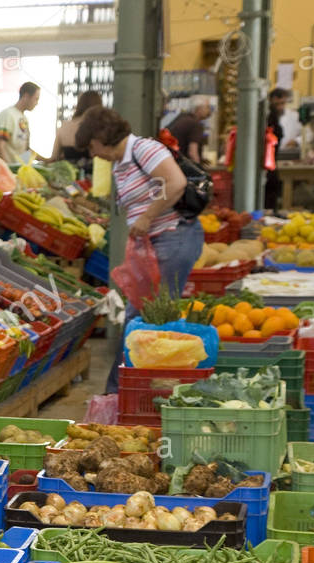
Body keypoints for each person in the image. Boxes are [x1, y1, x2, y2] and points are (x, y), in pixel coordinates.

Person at [77, 107, 204, 394]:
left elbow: (177, 183)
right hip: (154, 244)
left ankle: (127, 393)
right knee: (142, 316)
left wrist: (147, 216)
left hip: (174, 238)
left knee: (149, 317)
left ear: (102, 137)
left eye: (92, 146)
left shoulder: (143, 149)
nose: (93, 153)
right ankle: (132, 391)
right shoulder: (121, 162)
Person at [50, 90, 103, 169]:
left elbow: (54, 158)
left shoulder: (64, 127)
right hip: (96, 178)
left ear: (79, 105)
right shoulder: (101, 127)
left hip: (69, 178)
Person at [0, 82, 40, 165]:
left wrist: (47, 160)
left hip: (17, 172)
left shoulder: (24, 118)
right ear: (26, 96)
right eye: (36, 99)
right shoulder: (8, 115)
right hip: (7, 173)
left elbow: (25, 150)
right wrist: (8, 170)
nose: (37, 103)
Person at [264, 87, 290, 211]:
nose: (280, 107)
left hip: (271, 164)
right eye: (278, 104)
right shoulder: (268, 119)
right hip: (266, 166)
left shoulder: (275, 120)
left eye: (283, 104)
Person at [165, 97, 212, 164]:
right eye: (207, 107)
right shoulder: (195, 124)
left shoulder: (182, 118)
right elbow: (192, 153)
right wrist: (199, 171)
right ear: (198, 108)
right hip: (181, 166)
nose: (209, 110)